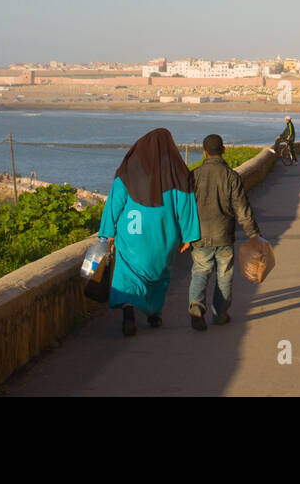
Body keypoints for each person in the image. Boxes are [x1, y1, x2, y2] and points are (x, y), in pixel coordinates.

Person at [97, 128, 201, 337]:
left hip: (131, 239)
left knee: (127, 275)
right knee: (159, 276)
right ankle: (154, 313)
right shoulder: (179, 175)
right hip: (164, 238)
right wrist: (188, 236)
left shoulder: (127, 174)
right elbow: (187, 208)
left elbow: (113, 206)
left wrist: (106, 234)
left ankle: (128, 313)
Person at [188, 134, 261, 331]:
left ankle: (196, 304)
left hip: (199, 235)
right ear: (223, 150)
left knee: (200, 271)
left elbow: (186, 209)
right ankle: (219, 314)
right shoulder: (231, 176)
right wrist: (253, 234)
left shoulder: (194, 175)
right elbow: (242, 209)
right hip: (224, 234)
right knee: (224, 274)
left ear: (204, 153)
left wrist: (184, 234)